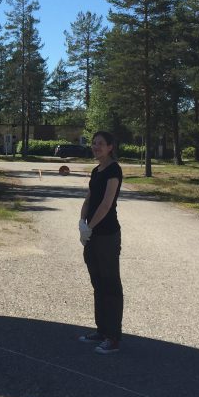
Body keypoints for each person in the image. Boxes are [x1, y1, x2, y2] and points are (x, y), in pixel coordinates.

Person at [77, 131, 124, 353]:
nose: (96, 147)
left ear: (110, 147)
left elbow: (106, 205)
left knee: (110, 284)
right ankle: (101, 330)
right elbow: (88, 199)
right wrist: (81, 222)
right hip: (92, 235)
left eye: (100, 144)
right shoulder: (96, 171)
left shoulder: (114, 170)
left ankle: (113, 336)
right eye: (94, 143)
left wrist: (90, 227)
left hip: (106, 235)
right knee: (97, 283)